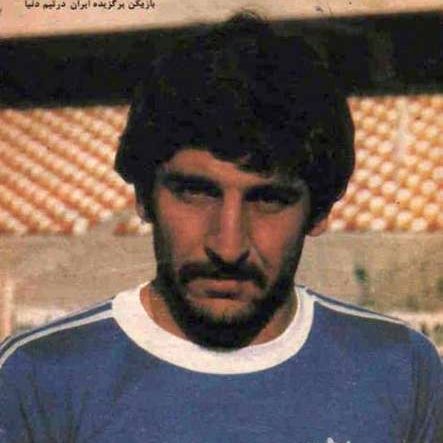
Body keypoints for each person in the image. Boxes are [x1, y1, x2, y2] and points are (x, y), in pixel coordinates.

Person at [0, 13, 441, 443]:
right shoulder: (36, 378)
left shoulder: (403, 371)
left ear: (320, 211)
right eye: (196, 193)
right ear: (143, 197)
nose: (228, 247)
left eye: (268, 200)